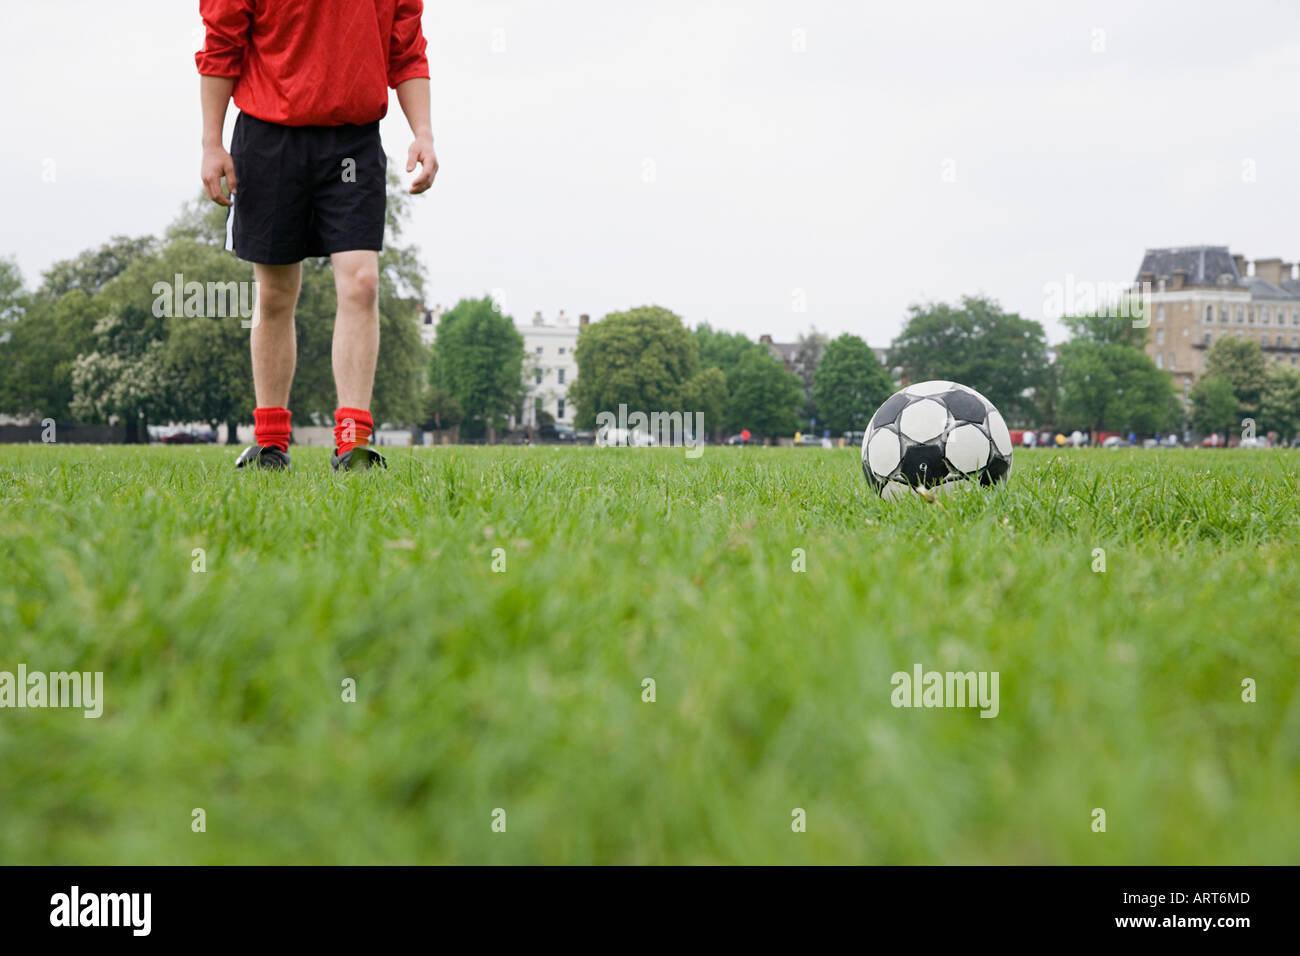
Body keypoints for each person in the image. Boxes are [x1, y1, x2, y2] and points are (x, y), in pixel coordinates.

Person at [195, 0, 438, 471]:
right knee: (275, 294)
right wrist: (211, 143)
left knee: (362, 283)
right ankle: (270, 445)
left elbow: (406, 50)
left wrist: (423, 132)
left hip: (353, 140)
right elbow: (221, 45)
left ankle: (352, 445)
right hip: (269, 137)